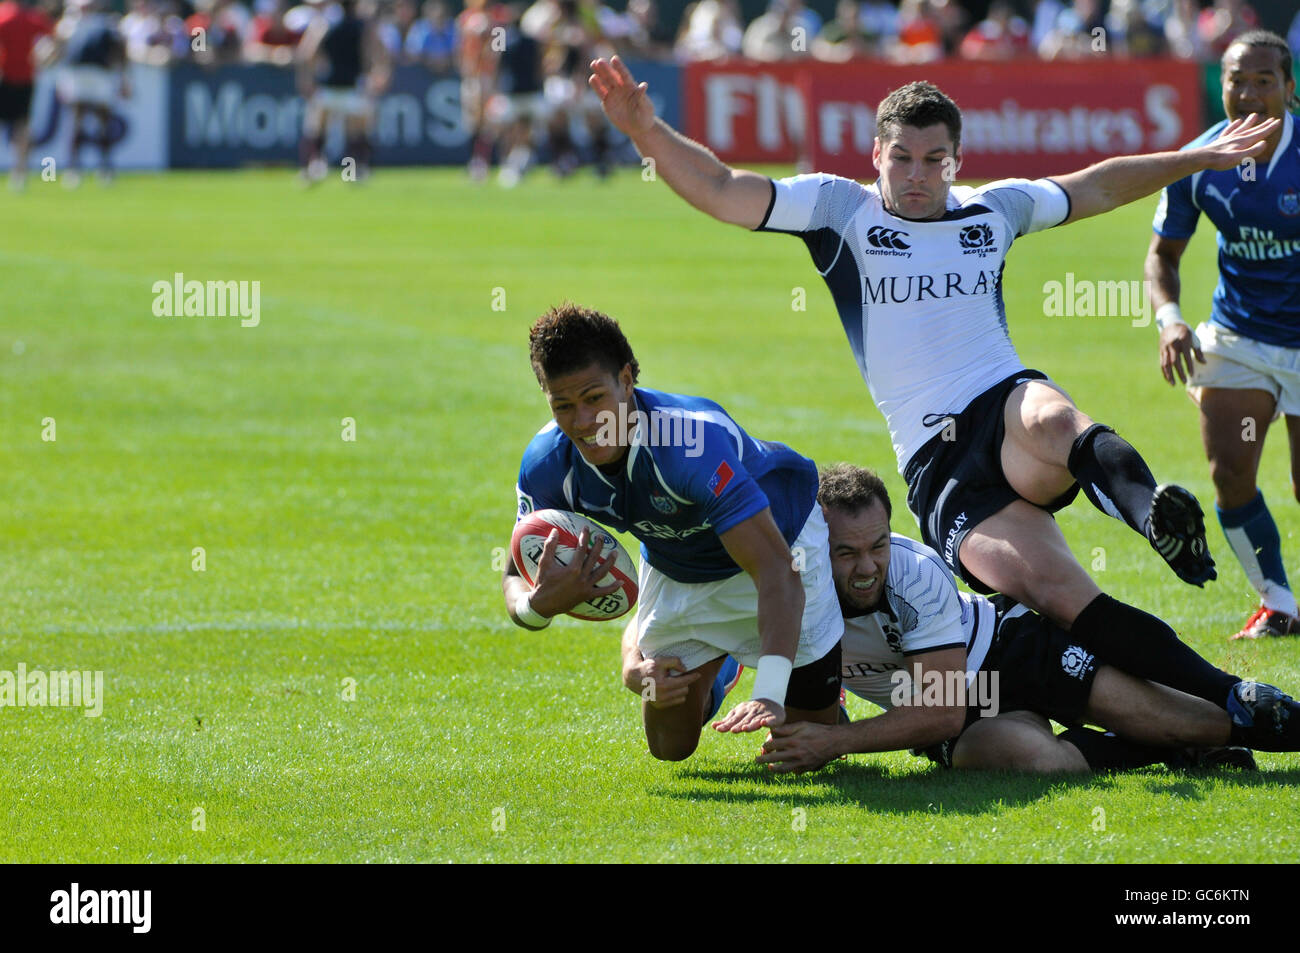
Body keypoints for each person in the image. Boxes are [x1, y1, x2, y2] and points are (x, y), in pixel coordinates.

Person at [587, 55, 1279, 717]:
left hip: (1002, 403)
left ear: (957, 161)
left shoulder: (992, 211)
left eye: (934, 161)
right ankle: (1233, 699)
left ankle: (1153, 513)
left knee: (1050, 417)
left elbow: (1097, 184)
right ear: (876, 157)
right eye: (902, 159)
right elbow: (720, 188)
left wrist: (1193, 157)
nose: (918, 176)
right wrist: (645, 128)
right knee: (1060, 593)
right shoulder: (840, 210)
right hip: (937, 465)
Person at [757, 463, 1300, 774]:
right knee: (1037, 764)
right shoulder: (794, 593)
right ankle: (1171, 750)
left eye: (876, 545)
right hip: (960, 713)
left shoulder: (915, 574)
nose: (866, 567)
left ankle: (1207, 732)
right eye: (846, 553)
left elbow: (939, 711)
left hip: (1012, 652)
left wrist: (832, 743)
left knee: (1202, 719)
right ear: (818, 545)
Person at [502, 303, 844, 761]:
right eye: (563, 406)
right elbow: (513, 572)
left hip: (783, 543)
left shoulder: (690, 446)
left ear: (626, 380)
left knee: (800, 751)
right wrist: (538, 606)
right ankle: (719, 670)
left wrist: (769, 692)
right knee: (669, 747)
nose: (583, 422)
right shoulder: (547, 464)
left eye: (593, 398)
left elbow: (777, 572)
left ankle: (813, 691)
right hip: (677, 560)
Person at [1146, 31, 1300, 641]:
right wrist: (1171, 320)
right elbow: (1163, 256)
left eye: (1265, 79)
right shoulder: (1198, 162)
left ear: (1290, 88)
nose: (1250, 93)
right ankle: (1280, 604)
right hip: (1239, 336)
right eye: (1238, 79)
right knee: (1231, 473)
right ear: (1223, 86)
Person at [296, 0, 389, 183]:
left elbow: (307, 53)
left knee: (318, 130)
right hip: (353, 85)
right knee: (354, 134)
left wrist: (307, 78)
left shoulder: (324, 24)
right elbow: (378, 52)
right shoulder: (363, 26)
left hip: (329, 84)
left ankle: (314, 168)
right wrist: (380, 74)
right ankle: (352, 172)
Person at [0, 0, 53, 191]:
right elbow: (53, 38)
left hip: (5, 78)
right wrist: (44, 60)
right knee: (22, 126)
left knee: (21, 128)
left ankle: (19, 173)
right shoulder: (32, 18)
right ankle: (19, 174)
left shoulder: (4, 16)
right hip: (26, 78)